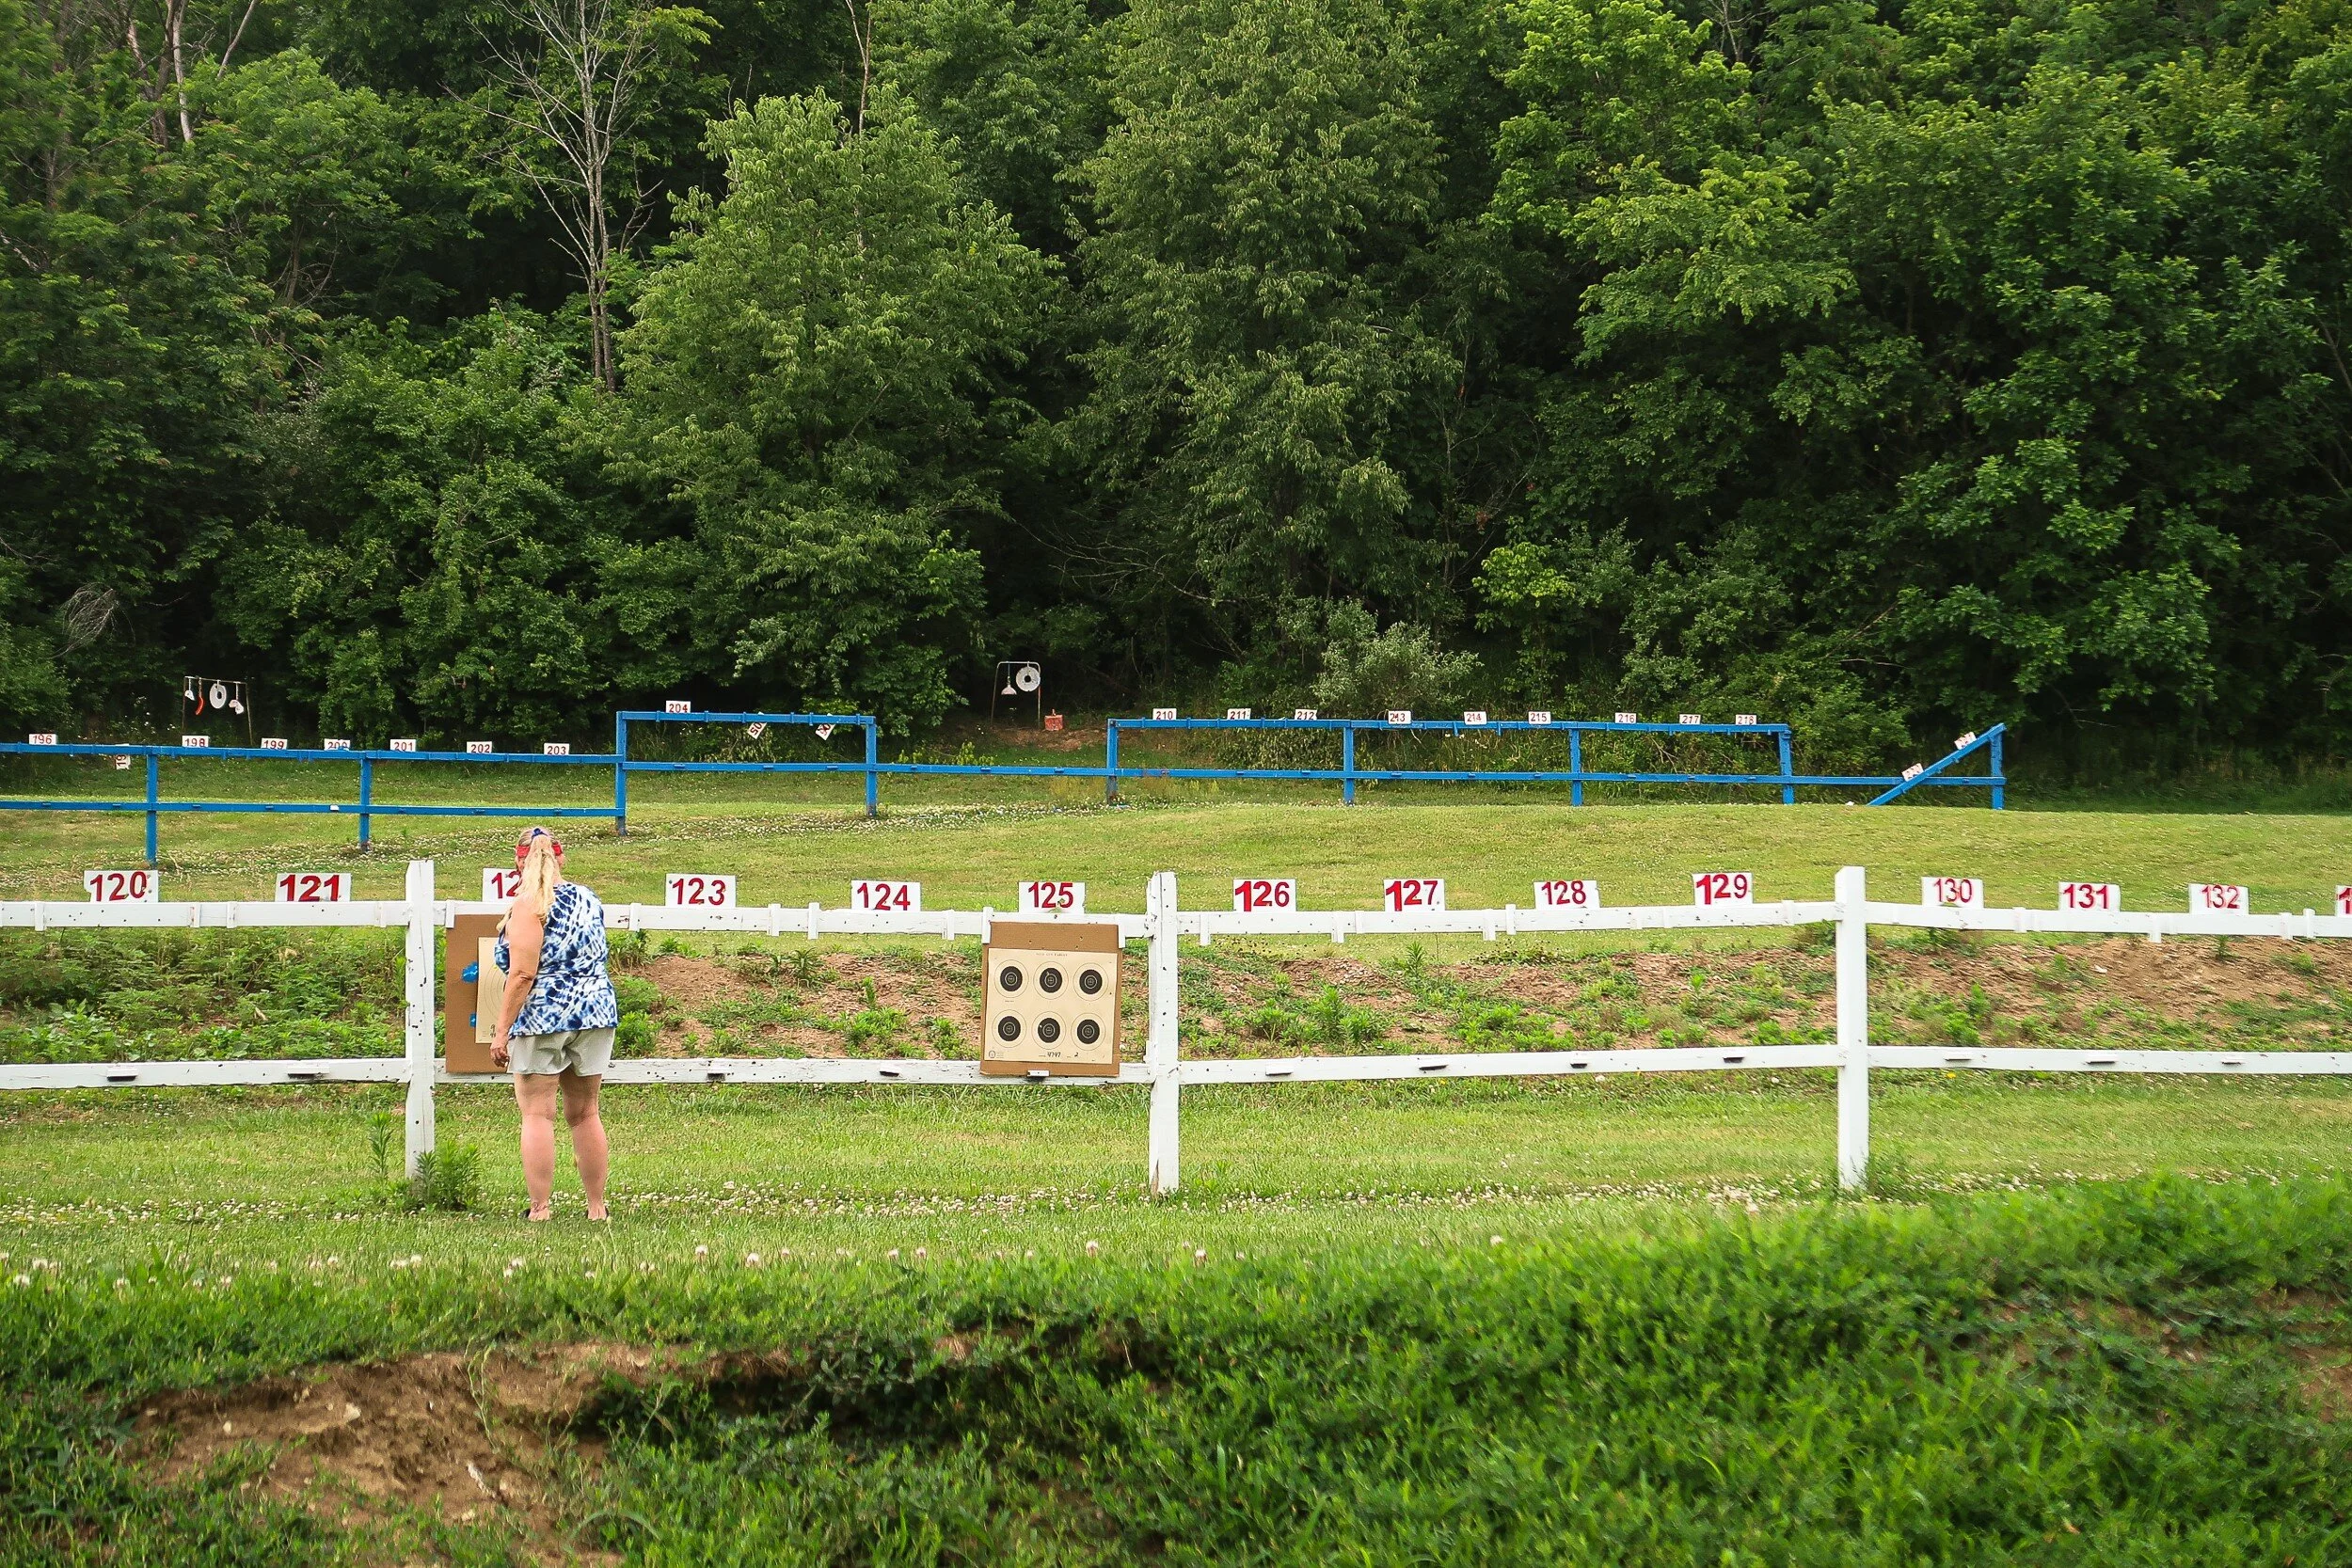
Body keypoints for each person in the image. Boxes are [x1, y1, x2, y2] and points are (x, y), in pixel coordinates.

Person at [489, 827, 620, 1222]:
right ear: (561, 859)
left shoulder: (528, 906)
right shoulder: (588, 898)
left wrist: (501, 1031)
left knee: (537, 1114)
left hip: (545, 1015)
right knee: (586, 1112)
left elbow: (523, 974)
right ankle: (597, 1207)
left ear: (518, 863)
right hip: (596, 1012)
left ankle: (540, 1209)